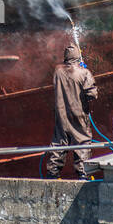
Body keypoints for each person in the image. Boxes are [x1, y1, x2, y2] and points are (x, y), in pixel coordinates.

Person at [45, 44, 98, 181]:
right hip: (78, 114)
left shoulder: (57, 71)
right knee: (82, 142)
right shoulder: (83, 72)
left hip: (62, 115)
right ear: (78, 57)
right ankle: (83, 174)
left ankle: (52, 175)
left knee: (59, 143)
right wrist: (86, 72)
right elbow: (92, 94)